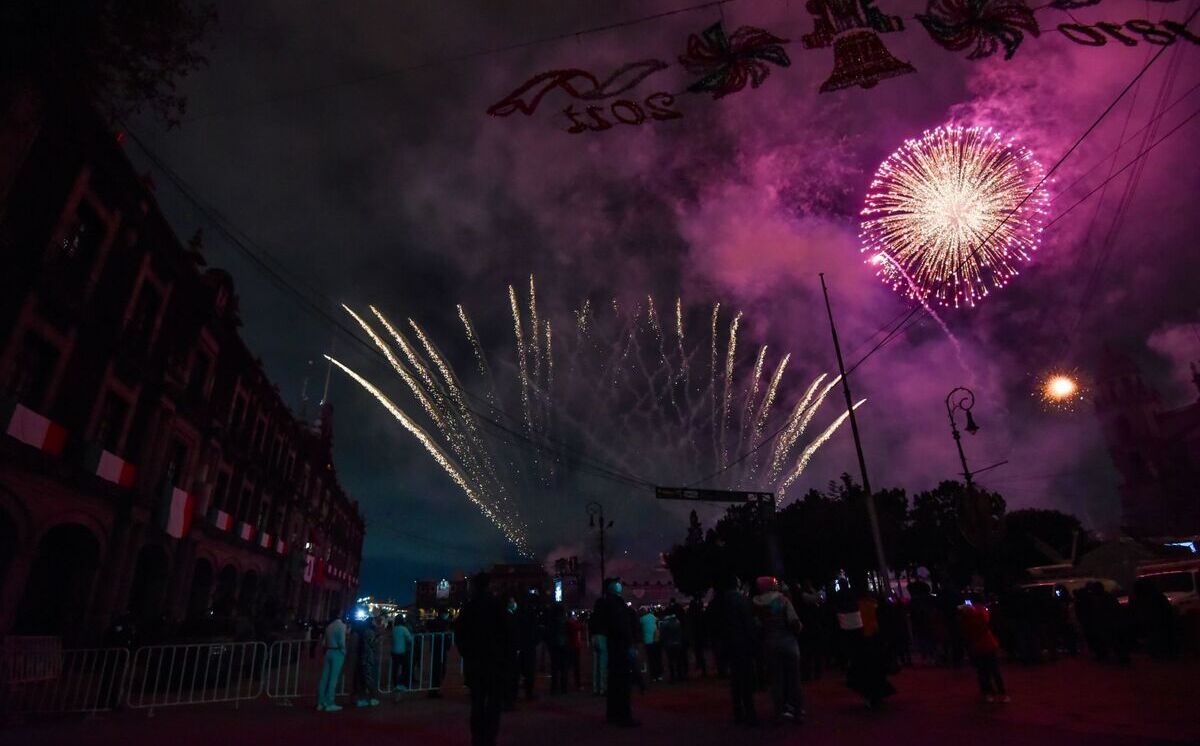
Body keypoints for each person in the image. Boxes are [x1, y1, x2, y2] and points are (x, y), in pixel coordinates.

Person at [456, 573, 512, 746]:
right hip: (495, 663)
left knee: (477, 702)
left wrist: (467, 654)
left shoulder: (469, 607)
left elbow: (460, 635)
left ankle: (478, 738)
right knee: (494, 703)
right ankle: (490, 738)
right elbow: (508, 634)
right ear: (489, 585)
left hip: (475, 663)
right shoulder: (497, 606)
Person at [752, 576, 804, 723]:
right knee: (794, 679)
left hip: (770, 644)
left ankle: (779, 711)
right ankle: (797, 711)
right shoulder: (782, 600)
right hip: (788, 642)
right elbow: (794, 621)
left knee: (776, 680)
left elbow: (757, 626)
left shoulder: (756, 603)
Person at [712, 573, 759, 727]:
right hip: (742, 644)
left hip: (728, 644)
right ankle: (750, 713)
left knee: (735, 680)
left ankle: (738, 712)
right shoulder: (741, 600)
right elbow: (748, 623)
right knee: (746, 679)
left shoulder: (720, 602)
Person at [839, 589, 895, 710]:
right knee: (875, 670)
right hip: (872, 641)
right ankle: (876, 695)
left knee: (867, 671)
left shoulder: (856, 607)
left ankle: (872, 696)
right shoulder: (872, 605)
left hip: (864, 642)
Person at [595, 578, 639, 727]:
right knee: (623, 684)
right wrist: (630, 645)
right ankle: (624, 716)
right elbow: (622, 627)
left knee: (614, 682)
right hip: (621, 648)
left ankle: (613, 715)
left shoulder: (606, 603)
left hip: (613, 648)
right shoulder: (617, 605)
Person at [958, 596, 1008, 703]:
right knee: (994, 671)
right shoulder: (982, 612)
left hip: (978, 646)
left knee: (982, 672)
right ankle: (1001, 693)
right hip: (988, 644)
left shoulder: (968, 615)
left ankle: (988, 693)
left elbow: (965, 631)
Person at [316, 614, 347, 712]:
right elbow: (342, 641)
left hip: (328, 651)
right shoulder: (342, 626)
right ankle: (330, 702)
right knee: (333, 678)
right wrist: (343, 651)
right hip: (337, 651)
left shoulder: (329, 626)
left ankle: (320, 702)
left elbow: (324, 642)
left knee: (324, 678)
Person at [353, 613, 381, 707]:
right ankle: (371, 698)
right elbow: (372, 643)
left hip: (363, 657)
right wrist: (379, 638)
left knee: (362, 678)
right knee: (368, 678)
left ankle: (362, 698)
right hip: (368, 657)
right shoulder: (369, 632)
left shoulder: (363, 631)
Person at [426, 608, 451, 698]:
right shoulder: (444, 623)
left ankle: (434, 689)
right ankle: (435, 690)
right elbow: (446, 635)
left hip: (435, 647)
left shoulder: (433, 622)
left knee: (435, 668)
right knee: (440, 669)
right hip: (441, 648)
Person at [547, 602, 569, 695]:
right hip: (563, 645)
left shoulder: (552, 621)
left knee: (554, 668)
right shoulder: (565, 621)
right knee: (563, 668)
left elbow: (549, 634)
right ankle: (564, 688)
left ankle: (554, 688)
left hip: (555, 645)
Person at [391, 615, 414, 697]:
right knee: (406, 667)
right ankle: (402, 684)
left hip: (394, 651)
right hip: (402, 651)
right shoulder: (404, 629)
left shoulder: (394, 629)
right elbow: (409, 639)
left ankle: (395, 683)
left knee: (395, 668)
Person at [589, 601, 609, 695]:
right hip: (602, 637)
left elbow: (589, 627)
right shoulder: (605, 615)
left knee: (595, 664)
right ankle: (602, 688)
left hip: (593, 637)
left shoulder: (593, 615)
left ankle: (595, 688)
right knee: (602, 664)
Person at [639, 606, 661, 684]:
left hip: (648, 641)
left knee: (651, 659)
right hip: (656, 640)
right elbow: (658, 621)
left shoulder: (641, 620)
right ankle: (659, 675)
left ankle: (653, 676)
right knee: (657, 658)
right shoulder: (652, 616)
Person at [687, 598, 708, 677]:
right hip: (700, 635)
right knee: (701, 652)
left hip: (695, 635)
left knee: (697, 652)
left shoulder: (690, 614)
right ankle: (703, 668)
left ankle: (700, 666)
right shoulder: (701, 613)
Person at [566, 610, 585, 690]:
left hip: (570, 646)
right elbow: (580, 627)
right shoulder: (573, 623)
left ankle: (566, 683)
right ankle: (577, 684)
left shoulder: (568, 623)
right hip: (574, 646)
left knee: (569, 666)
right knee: (576, 666)